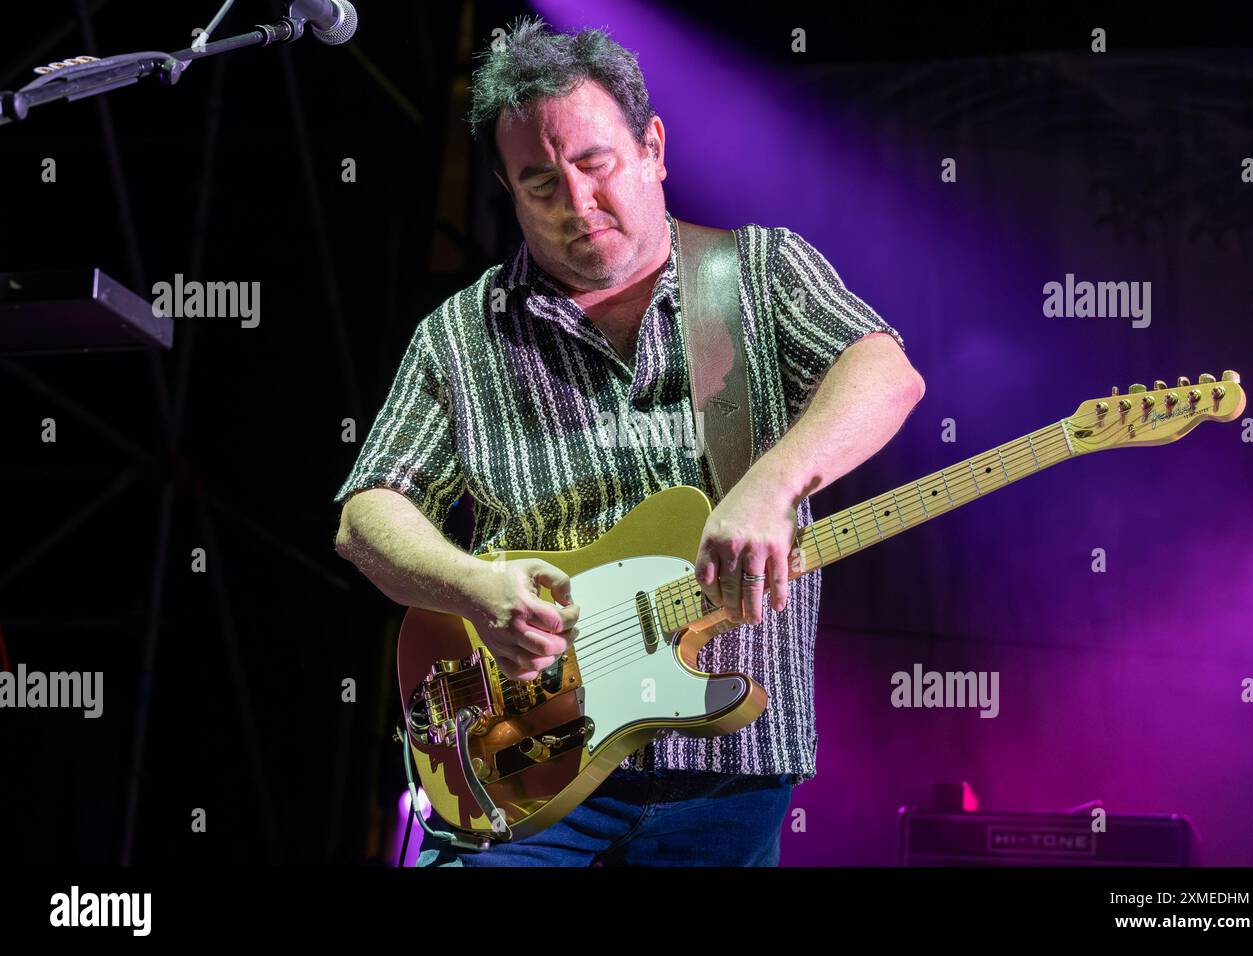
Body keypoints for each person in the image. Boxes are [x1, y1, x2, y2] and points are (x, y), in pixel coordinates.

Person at [332, 16, 925, 866]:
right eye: (538, 183)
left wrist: (770, 484)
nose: (576, 204)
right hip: (518, 760)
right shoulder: (459, 336)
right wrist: (472, 587)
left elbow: (884, 374)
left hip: (730, 776)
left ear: (652, 146)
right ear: (506, 187)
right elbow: (366, 518)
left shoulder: (761, 272)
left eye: (594, 163)